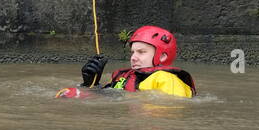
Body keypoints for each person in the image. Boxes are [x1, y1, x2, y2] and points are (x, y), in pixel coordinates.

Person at [56, 25, 197, 98]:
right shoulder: (125, 77)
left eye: (141, 52)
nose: (133, 57)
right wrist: (90, 84)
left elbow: (171, 108)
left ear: (162, 57)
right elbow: (111, 95)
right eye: (133, 52)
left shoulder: (167, 80)